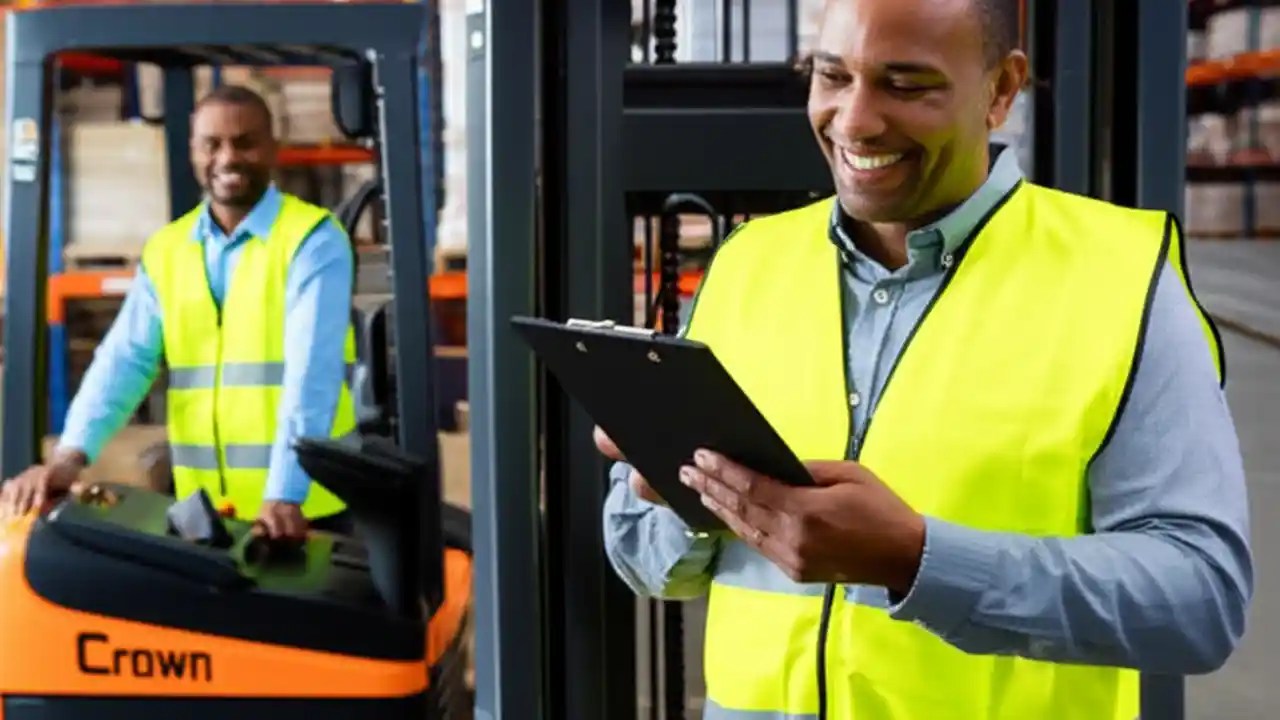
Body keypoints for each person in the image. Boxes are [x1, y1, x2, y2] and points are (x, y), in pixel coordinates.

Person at [597, 0, 1254, 718]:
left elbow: (1200, 600)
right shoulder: (748, 266)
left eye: (905, 85)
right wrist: (682, 494)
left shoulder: (1118, 280)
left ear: (1001, 91)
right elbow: (648, 565)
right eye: (832, 76)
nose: (854, 120)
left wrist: (916, 560)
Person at [0, 84, 359, 541]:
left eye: (244, 142)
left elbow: (313, 373)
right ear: (193, 151)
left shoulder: (312, 239)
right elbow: (124, 360)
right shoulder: (169, 249)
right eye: (212, 144)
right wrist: (69, 457)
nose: (227, 158)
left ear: (272, 148)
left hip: (304, 512)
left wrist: (285, 491)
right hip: (205, 514)